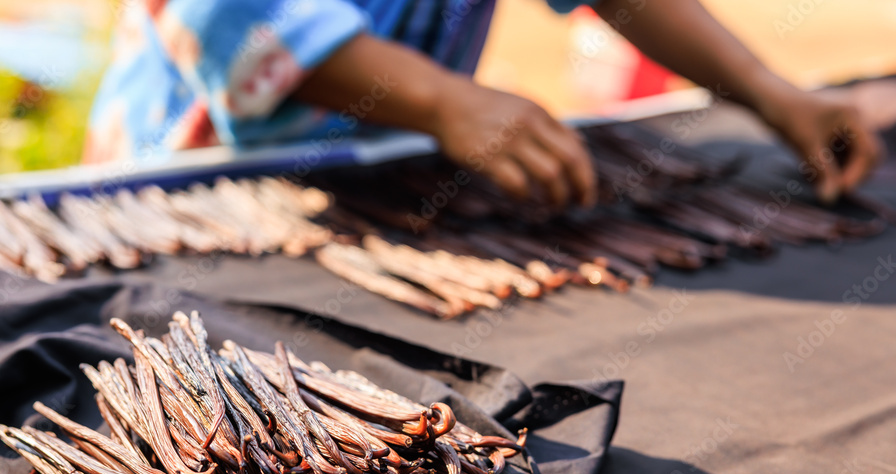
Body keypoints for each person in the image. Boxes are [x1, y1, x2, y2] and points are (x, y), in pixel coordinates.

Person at [83, 0, 882, 207]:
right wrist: (446, 104)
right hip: (196, 185)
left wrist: (770, 93)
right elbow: (237, 19)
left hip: (398, 171)